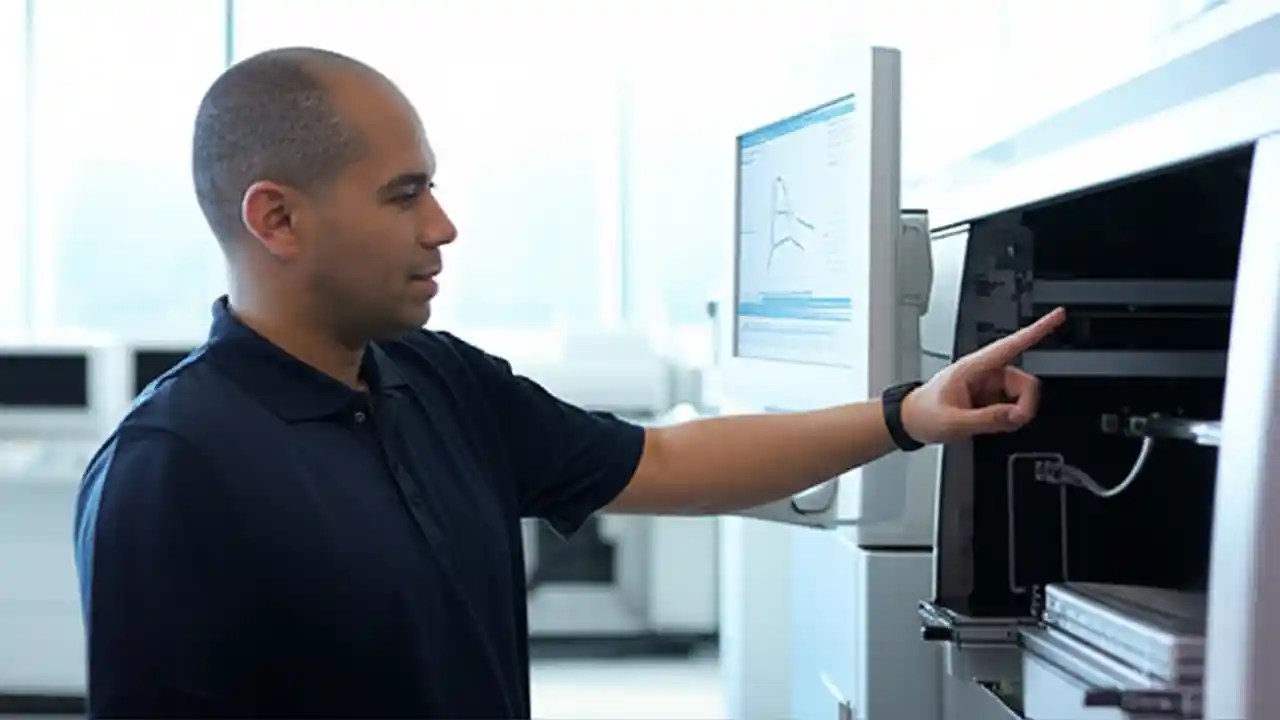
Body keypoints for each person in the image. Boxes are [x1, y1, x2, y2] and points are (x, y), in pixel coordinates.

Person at [73, 46, 1066, 719]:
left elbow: (667, 459)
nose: (442, 227)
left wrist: (907, 416)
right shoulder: (173, 472)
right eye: (403, 194)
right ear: (277, 221)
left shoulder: (433, 379)